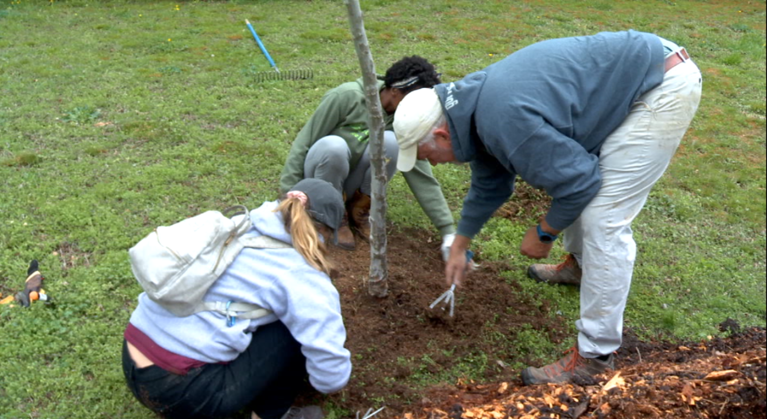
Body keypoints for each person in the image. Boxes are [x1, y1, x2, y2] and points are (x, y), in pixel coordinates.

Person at [392, 30, 702, 385]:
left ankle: (595, 358)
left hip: (660, 84)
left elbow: (580, 182)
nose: (432, 163)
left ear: (442, 136)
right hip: (632, 73)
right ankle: (580, 267)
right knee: (578, 181)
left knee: (603, 220)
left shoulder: (505, 120)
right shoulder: (470, 110)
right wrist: (460, 244)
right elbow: (490, 183)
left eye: (426, 154)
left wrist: (545, 232)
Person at [122, 178, 351, 419]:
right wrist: (325, 380)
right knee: (292, 333)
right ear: (323, 231)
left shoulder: (237, 225)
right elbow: (330, 376)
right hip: (183, 393)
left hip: (131, 358)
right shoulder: (302, 273)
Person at [279, 55, 458, 257]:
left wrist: (448, 231)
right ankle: (330, 217)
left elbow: (420, 174)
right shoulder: (346, 97)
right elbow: (304, 143)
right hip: (321, 177)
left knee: (392, 142)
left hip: (350, 184)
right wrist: (287, 198)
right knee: (333, 146)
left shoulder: (405, 119)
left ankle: (359, 209)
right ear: (395, 91)